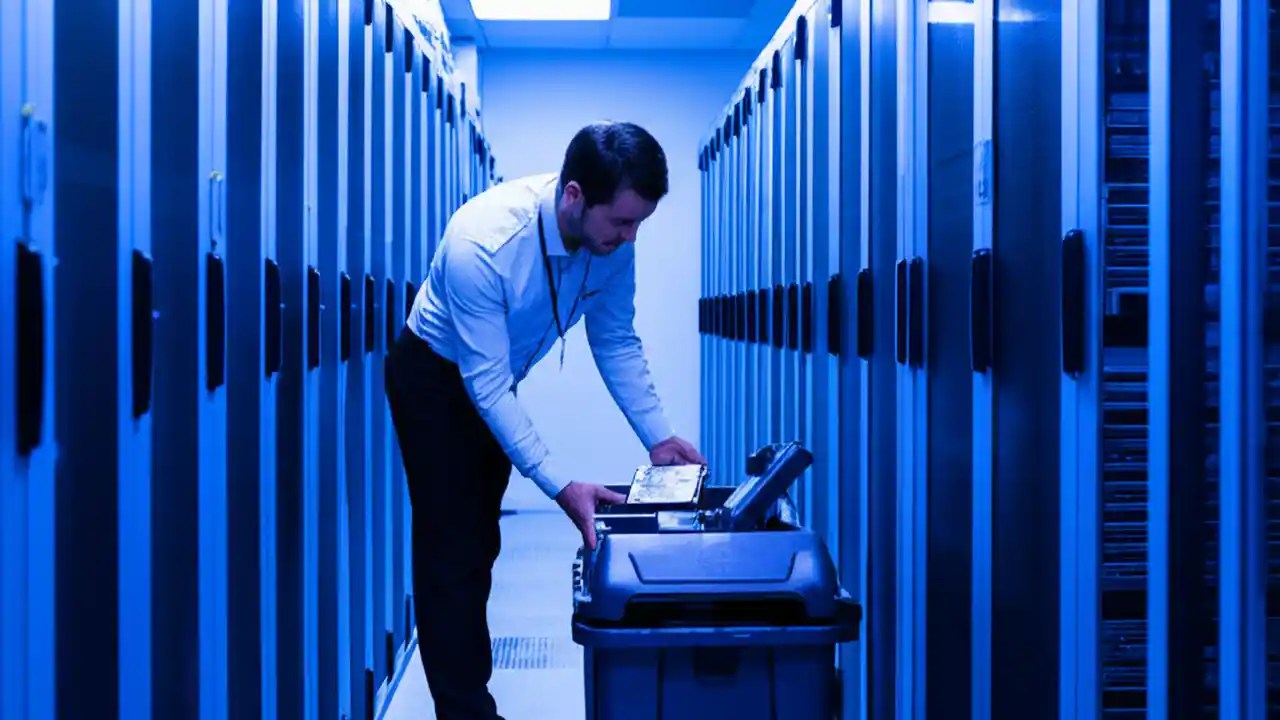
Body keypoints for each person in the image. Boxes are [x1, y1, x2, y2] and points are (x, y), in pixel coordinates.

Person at [384, 120, 705, 720]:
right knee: (452, 546)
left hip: (493, 378)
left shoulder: (613, 247)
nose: (630, 237)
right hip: (433, 376)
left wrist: (659, 438)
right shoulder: (482, 242)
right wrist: (561, 486)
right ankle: (465, 712)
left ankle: (467, 698)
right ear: (575, 195)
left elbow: (615, 341)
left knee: (481, 542)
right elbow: (485, 384)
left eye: (639, 224)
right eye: (622, 222)